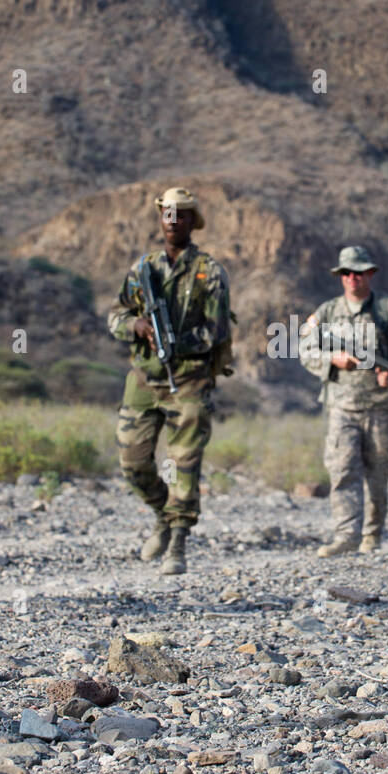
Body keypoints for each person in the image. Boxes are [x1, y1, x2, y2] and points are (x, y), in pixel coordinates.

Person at [107, 187, 233, 576]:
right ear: (160, 218)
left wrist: (179, 343)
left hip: (190, 378)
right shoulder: (142, 269)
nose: (173, 220)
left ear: (193, 221)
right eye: (167, 213)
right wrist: (136, 325)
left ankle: (178, 539)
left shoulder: (209, 272)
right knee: (132, 461)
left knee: (183, 462)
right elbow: (115, 316)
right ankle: (163, 515)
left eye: (181, 214)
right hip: (145, 377)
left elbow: (217, 330)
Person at [299, 245, 388, 558]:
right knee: (342, 470)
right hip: (341, 406)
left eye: (359, 272)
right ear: (340, 276)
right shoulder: (326, 313)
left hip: (380, 407)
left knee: (378, 473)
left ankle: (372, 535)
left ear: (370, 274)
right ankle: (346, 535)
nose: (353, 278)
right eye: (347, 273)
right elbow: (305, 350)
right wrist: (332, 360)